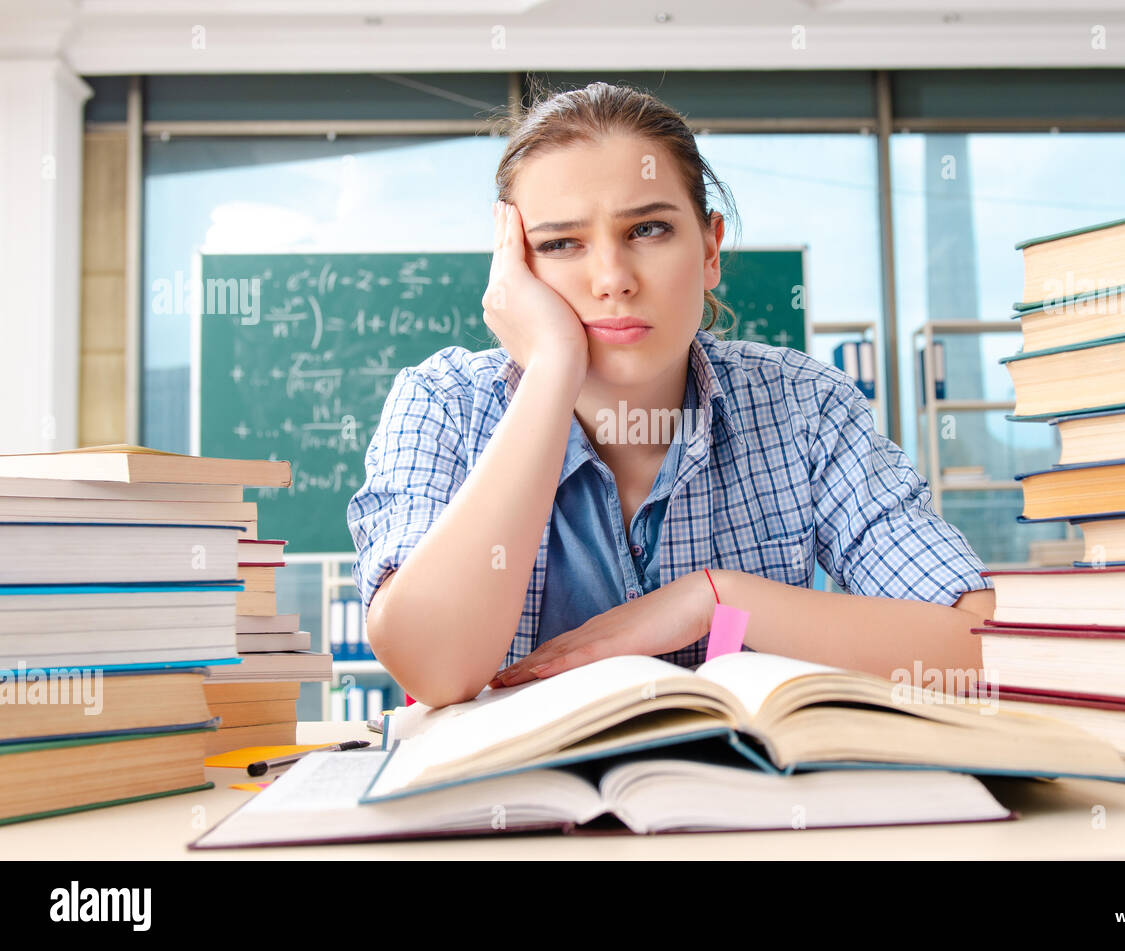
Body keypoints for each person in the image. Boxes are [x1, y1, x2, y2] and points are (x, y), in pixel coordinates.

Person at [347, 80, 996, 709]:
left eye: (648, 230)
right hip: (514, 817)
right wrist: (551, 370)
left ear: (711, 249)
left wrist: (713, 600)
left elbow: (979, 646)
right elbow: (433, 666)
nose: (612, 279)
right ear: (516, 269)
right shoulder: (442, 402)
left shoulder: (805, 406)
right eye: (560, 243)